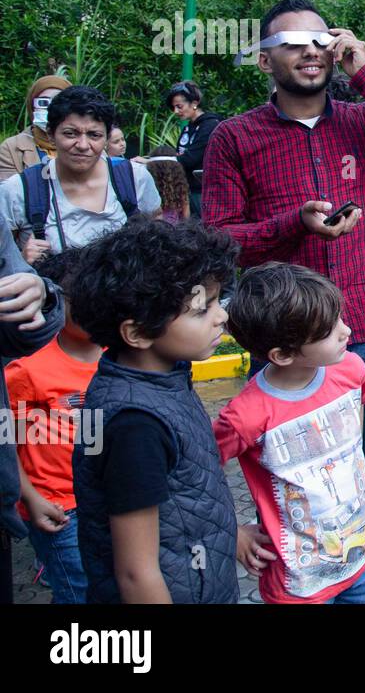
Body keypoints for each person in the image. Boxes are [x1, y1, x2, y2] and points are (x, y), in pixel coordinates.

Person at [202, 0, 365, 604]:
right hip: (286, 346)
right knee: (304, 484)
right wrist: (293, 224)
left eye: (322, 40)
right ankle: (312, 585)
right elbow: (219, 237)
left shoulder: (361, 122)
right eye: (291, 42)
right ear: (265, 60)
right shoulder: (235, 137)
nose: (310, 51)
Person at [69, 219, 241, 603]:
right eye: (201, 310)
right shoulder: (134, 425)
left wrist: (224, 537)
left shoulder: (163, 379)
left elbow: (181, 504)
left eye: (216, 301)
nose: (221, 316)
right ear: (139, 332)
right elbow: (136, 573)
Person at [216, 263, 365, 604]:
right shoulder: (246, 415)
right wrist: (230, 533)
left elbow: (357, 412)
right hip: (300, 585)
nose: (346, 330)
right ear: (282, 354)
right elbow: (194, 472)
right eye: (327, 330)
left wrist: (358, 479)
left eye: (339, 317)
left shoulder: (351, 370)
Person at [4, 249, 97, 603]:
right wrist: (30, 498)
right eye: (81, 300)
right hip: (59, 510)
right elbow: (6, 442)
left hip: (101, 500)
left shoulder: (116, 357)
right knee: (78, 592)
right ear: (56, 301)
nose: (94, 308)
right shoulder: (27, 370)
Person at [0, 86, 160, 265]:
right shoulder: (18, 191)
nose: (83, 145)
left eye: (94, 135)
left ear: (106, 138)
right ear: (51, 134)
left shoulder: (134, 179)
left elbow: (157, 233)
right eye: (70, 133)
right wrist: (20, 262)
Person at [0, 211, 65, 606]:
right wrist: (29, 494)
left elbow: (29, 324)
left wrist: (40, 292)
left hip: (74, 512)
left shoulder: (108, 372)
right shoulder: (25, 376)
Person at [167, 81, 223, 220]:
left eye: (179, 106)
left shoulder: (210, 125)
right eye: (174, 107)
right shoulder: (188, 127)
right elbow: (181, 156)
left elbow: (190, 159)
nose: (176, 111)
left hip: (204, 192)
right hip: (188, 189)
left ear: (194, 103)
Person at [0, 75, 71, 182]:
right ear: (32, 106)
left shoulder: (87, 144)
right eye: (43, 102)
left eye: (58, 102)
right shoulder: (11, 148)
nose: (50, 108)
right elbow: (8, 194)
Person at [144, 156, 190, 223]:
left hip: (152, 229)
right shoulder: (180, 189)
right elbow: (186, 216)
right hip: (175, 230)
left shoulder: (148, 190)